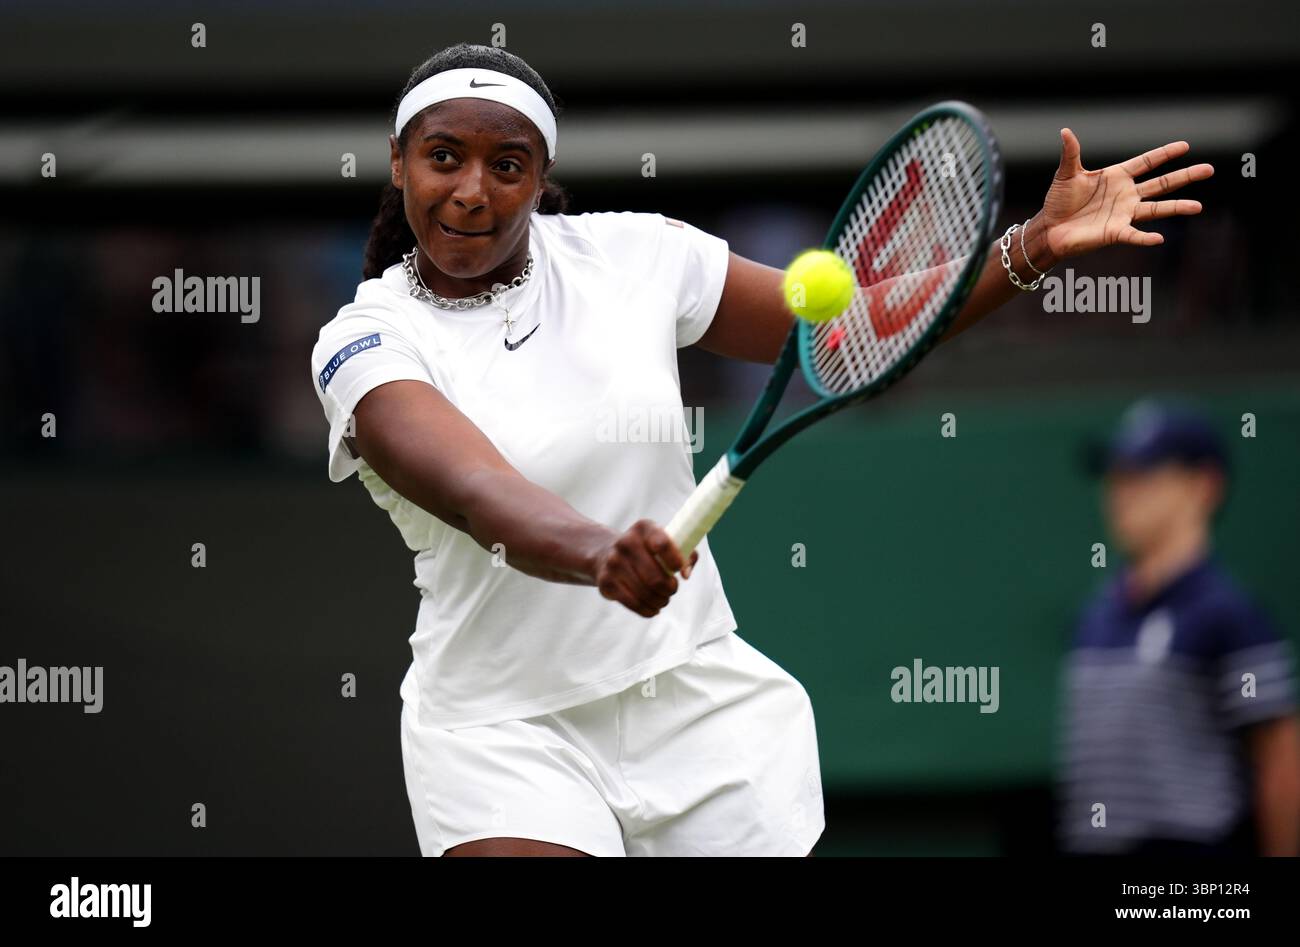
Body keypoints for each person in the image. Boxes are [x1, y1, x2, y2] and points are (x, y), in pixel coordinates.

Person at [310, 42, 1214, 856]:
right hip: (498, 730)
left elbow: (856, 326)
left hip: (693, 703)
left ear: (542, 176)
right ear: (398, 164)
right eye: (443, 158)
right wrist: (601, 555)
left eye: (507, 165)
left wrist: (1032, 245)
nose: (472, 188)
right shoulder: (366, 339)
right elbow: (472, 487)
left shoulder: (636, 256)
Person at [1058, 399, 1300, 855]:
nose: (1120, 492)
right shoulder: (1095, 617)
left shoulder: (1231, 616)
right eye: (1114, 476)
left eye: (1142, 475)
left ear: (1202, 486)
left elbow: (1280, 763)